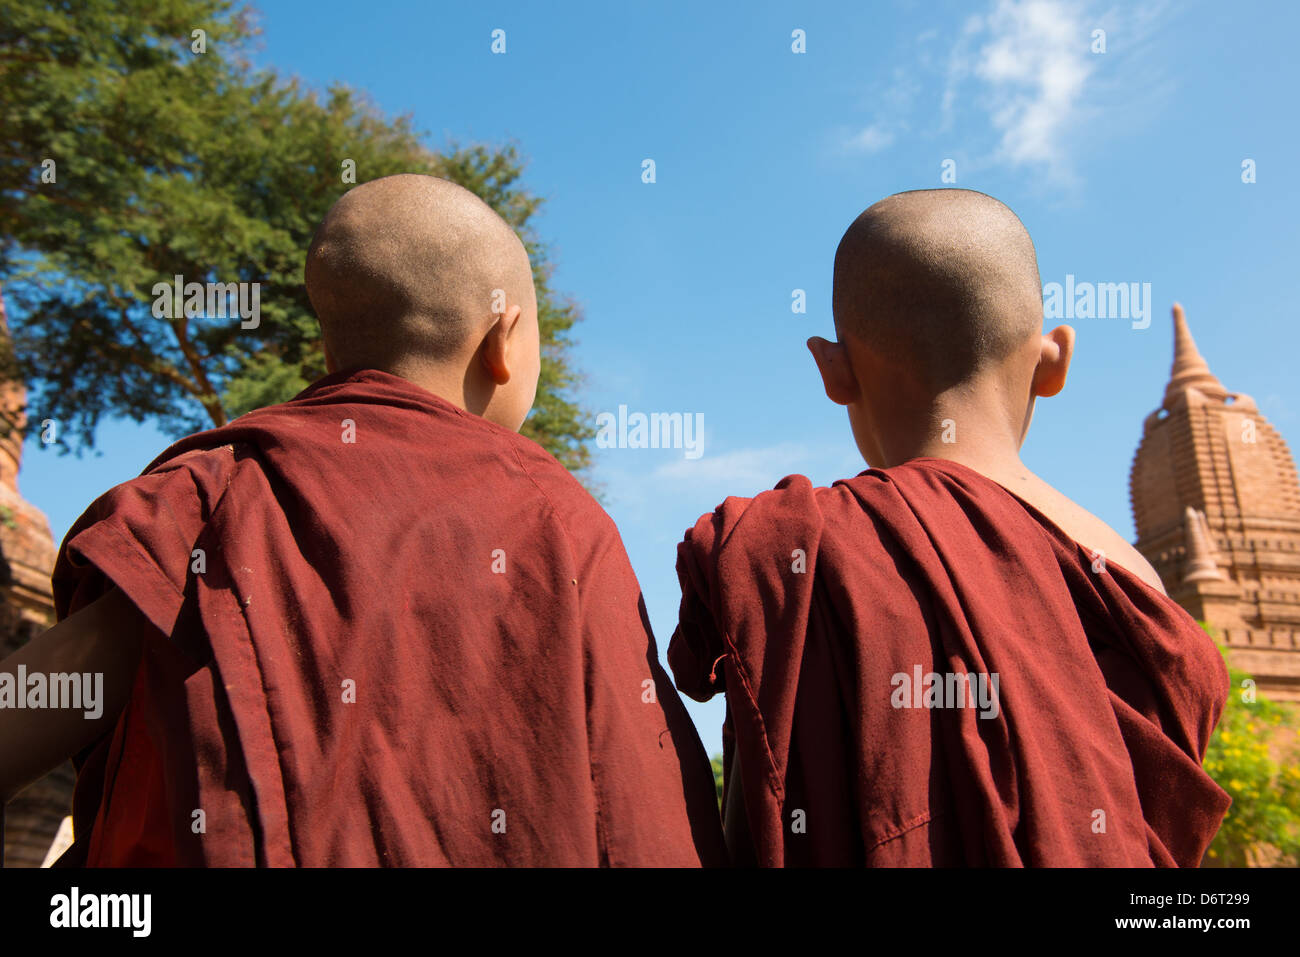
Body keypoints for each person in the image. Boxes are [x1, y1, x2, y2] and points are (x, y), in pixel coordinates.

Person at [0, 174, 725, 867]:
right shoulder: (560, 519)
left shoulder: (207, 500)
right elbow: (637, 816)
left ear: (328, 347)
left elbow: (25, 715)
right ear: (503, 342)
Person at [668, 188, 1230, 866]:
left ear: (832, 369)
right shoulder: (1132, 581)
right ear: (1055, 360)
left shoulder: (791, 554)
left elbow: (752, 826)